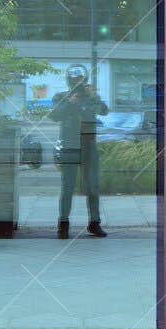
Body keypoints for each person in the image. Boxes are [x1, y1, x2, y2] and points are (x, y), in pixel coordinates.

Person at [50, 64, 108, 238]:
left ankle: (94, 223)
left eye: (80, 79)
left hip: (89, 145)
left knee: (93, 185)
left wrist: (94, 96)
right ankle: (63, 224)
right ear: (69, 80)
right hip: (70, 145)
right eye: (74, 79)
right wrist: (69, 102)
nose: (78, 82)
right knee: (67, 186)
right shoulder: (61, 96)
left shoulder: (91, 97)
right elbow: (54, 116)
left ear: (85, 80)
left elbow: (104, 111)